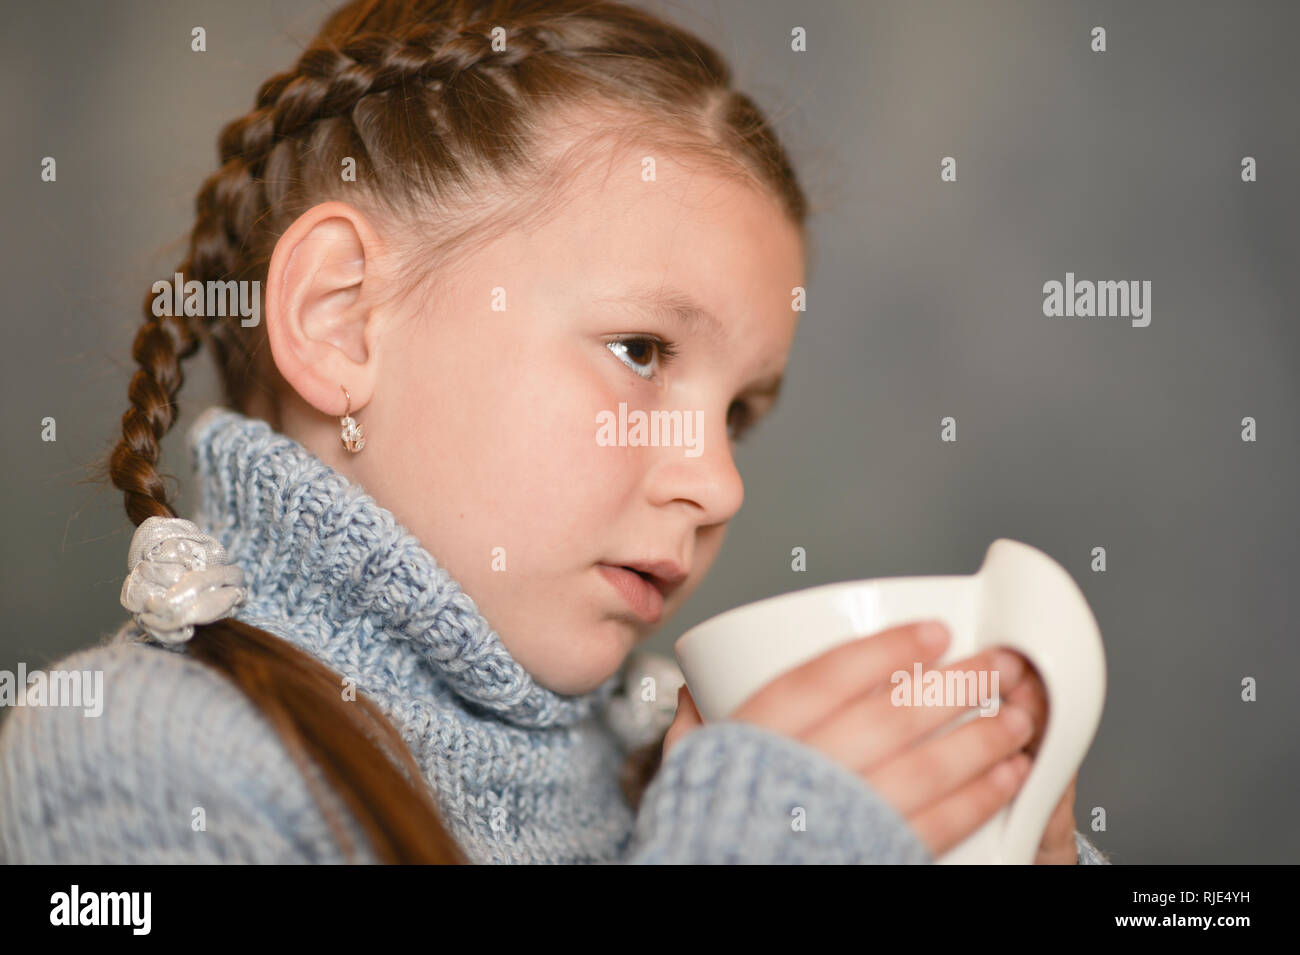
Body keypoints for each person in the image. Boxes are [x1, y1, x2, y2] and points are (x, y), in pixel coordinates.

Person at [0, 0, 1108, 864]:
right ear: (341, 320)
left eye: (739, 414)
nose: (720, 484)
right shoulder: (128, 761)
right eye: (642, 350)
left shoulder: (668, 766)